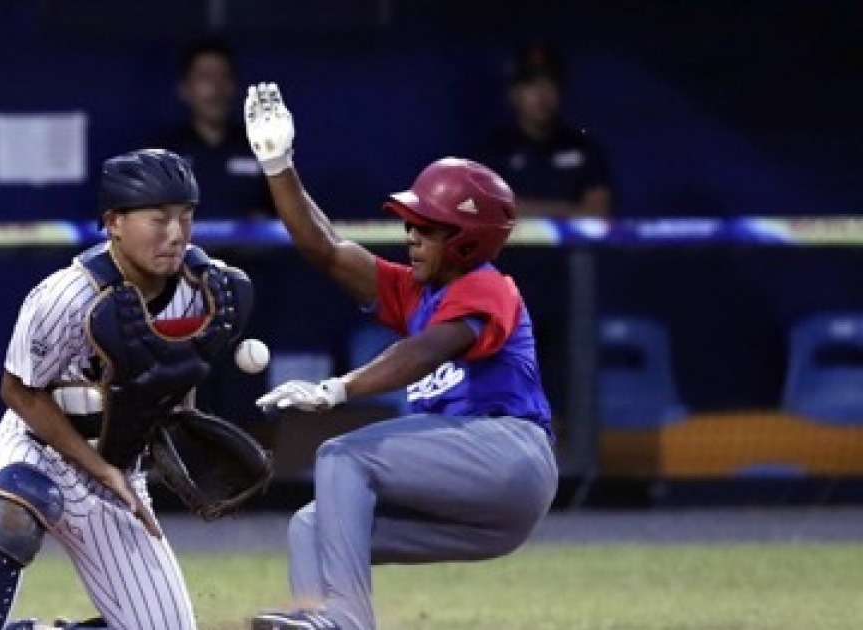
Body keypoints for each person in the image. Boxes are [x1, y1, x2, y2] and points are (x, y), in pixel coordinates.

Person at [243, 83, 559, 630]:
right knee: (310, 526)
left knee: (343, 455)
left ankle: (344, 620)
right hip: (485, 508)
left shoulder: (488, 287)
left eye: (426, 227)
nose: (409, 234)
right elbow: (324, 248)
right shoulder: (418, 289)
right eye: (410, 223)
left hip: (508, 456)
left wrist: (337, 389)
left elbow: (424, 350)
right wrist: (279, 165)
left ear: (465, 240)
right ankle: (324, 620)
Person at [0, 148, 254, 630]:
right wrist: (102, 470)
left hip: (119, 471)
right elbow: (19, 393)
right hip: (36, 447)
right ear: (114, 222)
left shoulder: (203, 289)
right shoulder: (66, 296)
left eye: (186, 217)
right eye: (159, 218)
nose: (175, 234)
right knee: (16, 507)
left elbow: (170, 376)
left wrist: (172, 429)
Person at [478, 43, 612, 218]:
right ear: (513, 93)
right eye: (530, 84)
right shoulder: (492, 152)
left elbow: (598, 213)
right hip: (510, 246)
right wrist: (567, 210)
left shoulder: (585, 151)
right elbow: (488, 211)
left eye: (549, 82)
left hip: (571, 246)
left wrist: (522, 209)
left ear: (562, 90)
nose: (541, 93)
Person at [155, 37, 273, 219]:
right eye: (205, 78)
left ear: (235, 86)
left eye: (223, 77)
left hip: (251, 248)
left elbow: (284, 219)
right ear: (184, 88)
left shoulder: (262, 149)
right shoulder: (162, 155)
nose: (215, 89)